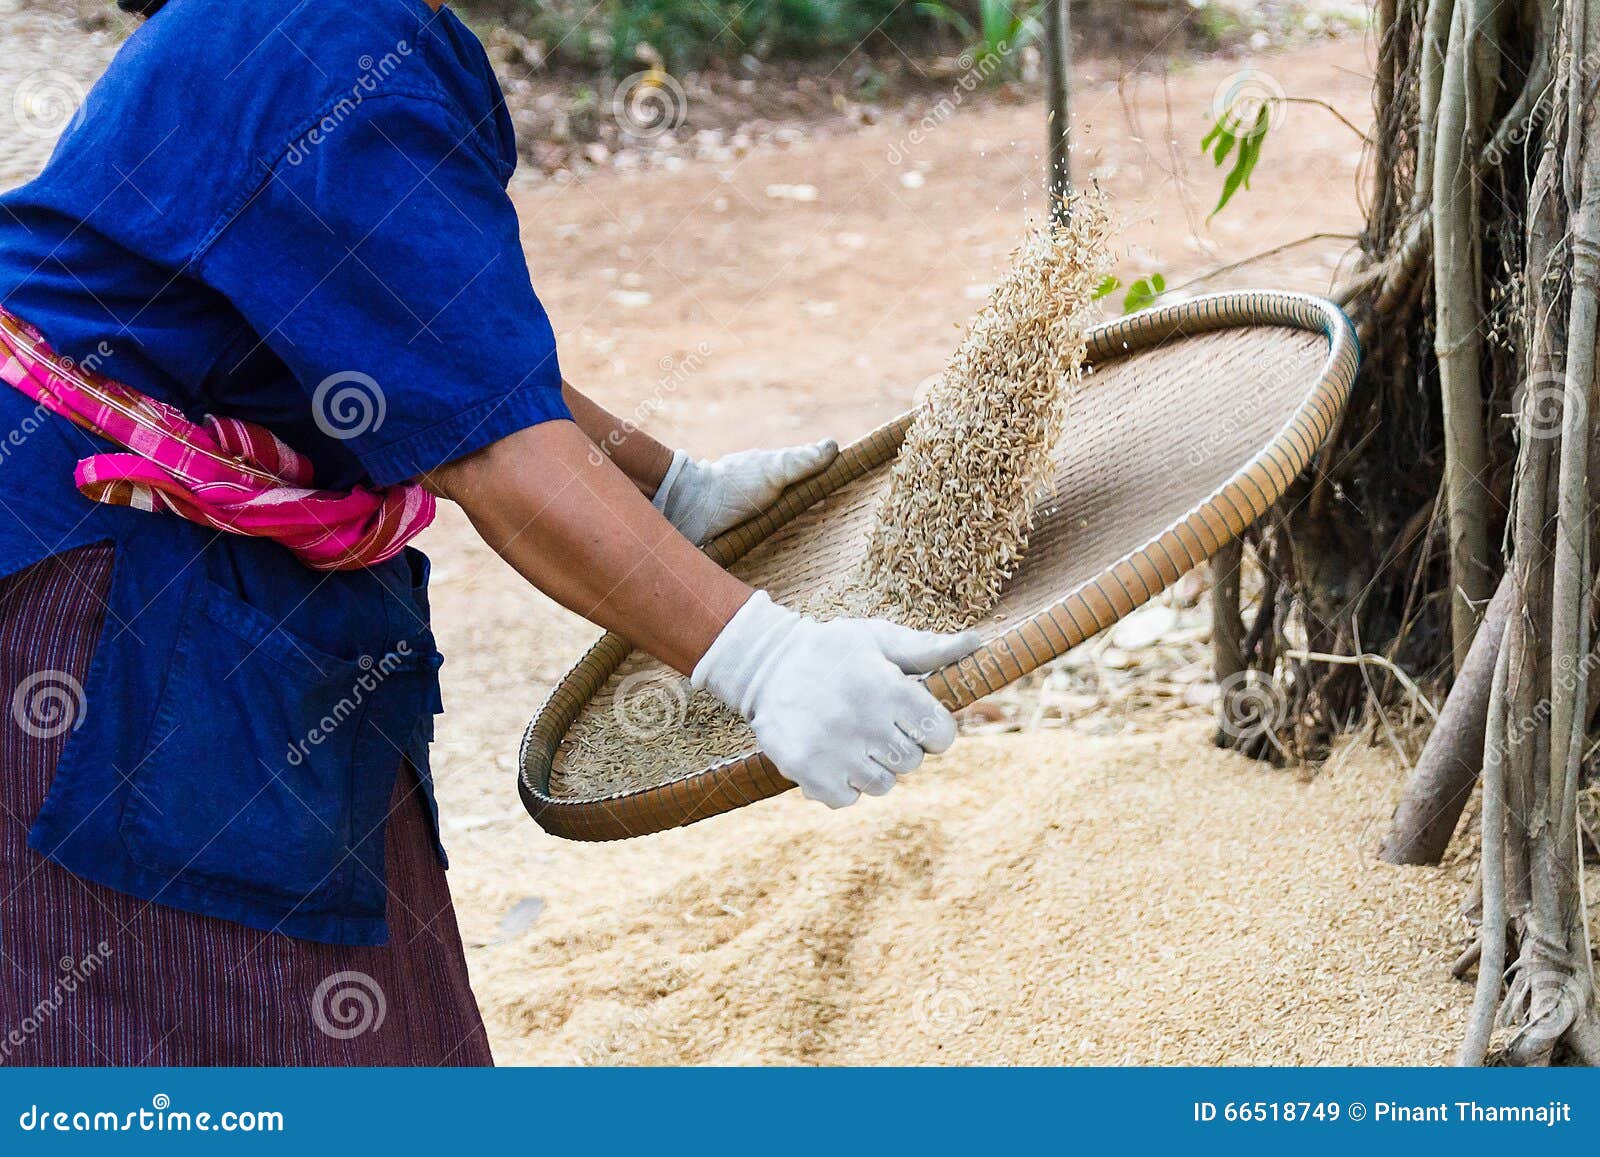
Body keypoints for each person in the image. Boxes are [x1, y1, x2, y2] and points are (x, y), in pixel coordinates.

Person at [0, 0, 975, 1065]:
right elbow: (494, 453)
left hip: (117, 547)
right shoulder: (338, 42)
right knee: (227, 1025)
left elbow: (418, 331)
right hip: (99, 590)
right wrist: (762, 655)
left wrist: (669, 486)